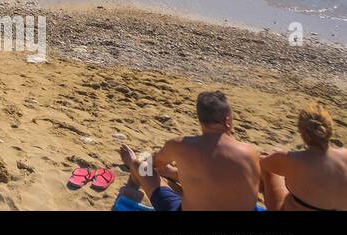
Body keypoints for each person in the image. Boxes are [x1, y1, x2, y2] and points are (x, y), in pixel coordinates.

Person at [118, 90, 262, 210]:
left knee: (142, 167)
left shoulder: (180, 145)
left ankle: (132, 165)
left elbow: (152, 164)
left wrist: (138, 162)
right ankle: (172, 173)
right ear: (228, 120)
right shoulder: (250, 152)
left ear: (200, 119)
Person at [260, 105, 347, 211]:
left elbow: (261, 163)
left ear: (302, 133)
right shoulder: (345, 154)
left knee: (267, 168)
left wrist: (275, 155)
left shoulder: (293, 159)